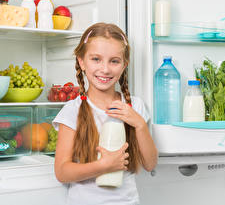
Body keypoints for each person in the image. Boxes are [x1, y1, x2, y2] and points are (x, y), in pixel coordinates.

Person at [53, 22, 158, 205]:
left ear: (124, 65)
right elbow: (62, 172)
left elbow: (150, 164)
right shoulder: (72, 111)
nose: (105, 69)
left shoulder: (135, 106)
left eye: (114, 61)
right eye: (96, 59)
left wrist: (139, 124)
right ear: (81, 61)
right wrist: (103, 166)